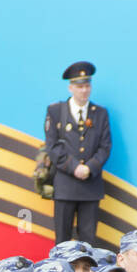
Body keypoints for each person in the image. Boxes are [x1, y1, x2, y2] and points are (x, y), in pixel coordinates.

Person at [43, 61, 111, 248]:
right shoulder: (56, 111)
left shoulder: (101, 114)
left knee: (88, 243)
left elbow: (105, 146)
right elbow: (52, 146)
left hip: (91, 187)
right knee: (62, 242)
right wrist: (75, 167)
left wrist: (90, 167)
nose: (84, 90)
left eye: (87, 86)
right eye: (80, 86)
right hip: (65, 186)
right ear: (70, 87)